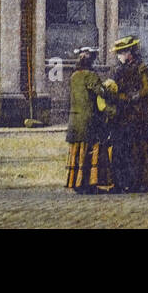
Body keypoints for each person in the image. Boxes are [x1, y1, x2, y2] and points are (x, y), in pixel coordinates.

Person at [107, 36, 148, 193]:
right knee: (121, 148)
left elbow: (146, 90)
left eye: (121, 53)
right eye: (118, 54)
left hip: (137, 115)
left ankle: (142, 182)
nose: (119, 56)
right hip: (121, 115)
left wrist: (131, 98)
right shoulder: (117, 70)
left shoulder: (141, 68)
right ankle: (122, 182)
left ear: (129, 52)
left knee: (139, 148)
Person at [65, 47, 113, 193]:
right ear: (91, 61)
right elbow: (101, 92)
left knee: (78, 151)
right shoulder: (91, 76)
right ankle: (90, 183)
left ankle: (76, 182)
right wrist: (109, 89)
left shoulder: (74, 76)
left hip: (75, 119)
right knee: (92, 150)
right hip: (89, 119)